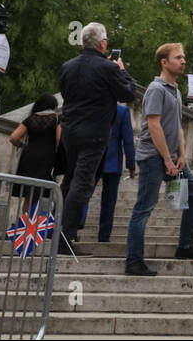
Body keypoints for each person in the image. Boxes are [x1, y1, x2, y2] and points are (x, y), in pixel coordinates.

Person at [57, 23, 138, 256]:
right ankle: (66, 237)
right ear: (102, 44)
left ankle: (58, 230)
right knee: (82, 183)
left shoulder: (68, 67)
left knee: (70, 179)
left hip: (70, 132)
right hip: (94, 133)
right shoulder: (107, 68)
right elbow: (128, 93)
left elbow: (66, 95)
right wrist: (121, 70)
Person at [125, 43, 193, 276]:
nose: (183, 61)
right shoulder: (156, 89)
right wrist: (167, 160)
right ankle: (133, 260)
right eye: (178, 57)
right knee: (144, 207)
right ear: (164, 62)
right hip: (152, 158)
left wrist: (181, 155)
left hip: (172, 159)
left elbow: (177, 126)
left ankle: (186, 245)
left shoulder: (176, 90)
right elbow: (153, 124)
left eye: (184, 57)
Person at [9, 94, 62, 214]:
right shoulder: (56, 119)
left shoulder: (30, 119)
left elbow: (13, 137)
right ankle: (37, 226)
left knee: (29, 193)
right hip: (48, 157)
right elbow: (59, 139)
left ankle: (26, 224)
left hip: (29, 156)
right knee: (42, 192)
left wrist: (22, 146)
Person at [93, 101, 136, 243]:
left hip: (91, 158)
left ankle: (72, 231)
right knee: (109, 201)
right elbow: (128, 140)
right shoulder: (122, 111)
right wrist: (131, 165)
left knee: (82, 195)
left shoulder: (93, 106)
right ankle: (103, 236)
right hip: (113, 161)